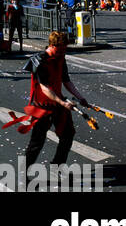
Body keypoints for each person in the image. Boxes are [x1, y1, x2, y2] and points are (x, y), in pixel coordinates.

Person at [5, 31, 93, 165]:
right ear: (52, 45)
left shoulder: (60, 58)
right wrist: (62, 103)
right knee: (37, 143)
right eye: (61, 49)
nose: (63, 52)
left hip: (58, 104)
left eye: (65, 49)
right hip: (42, 106)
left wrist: (81, 98)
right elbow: (44, 87)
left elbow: (66, 80)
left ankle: (57, 166)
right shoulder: (40, 60)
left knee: (67, 135)